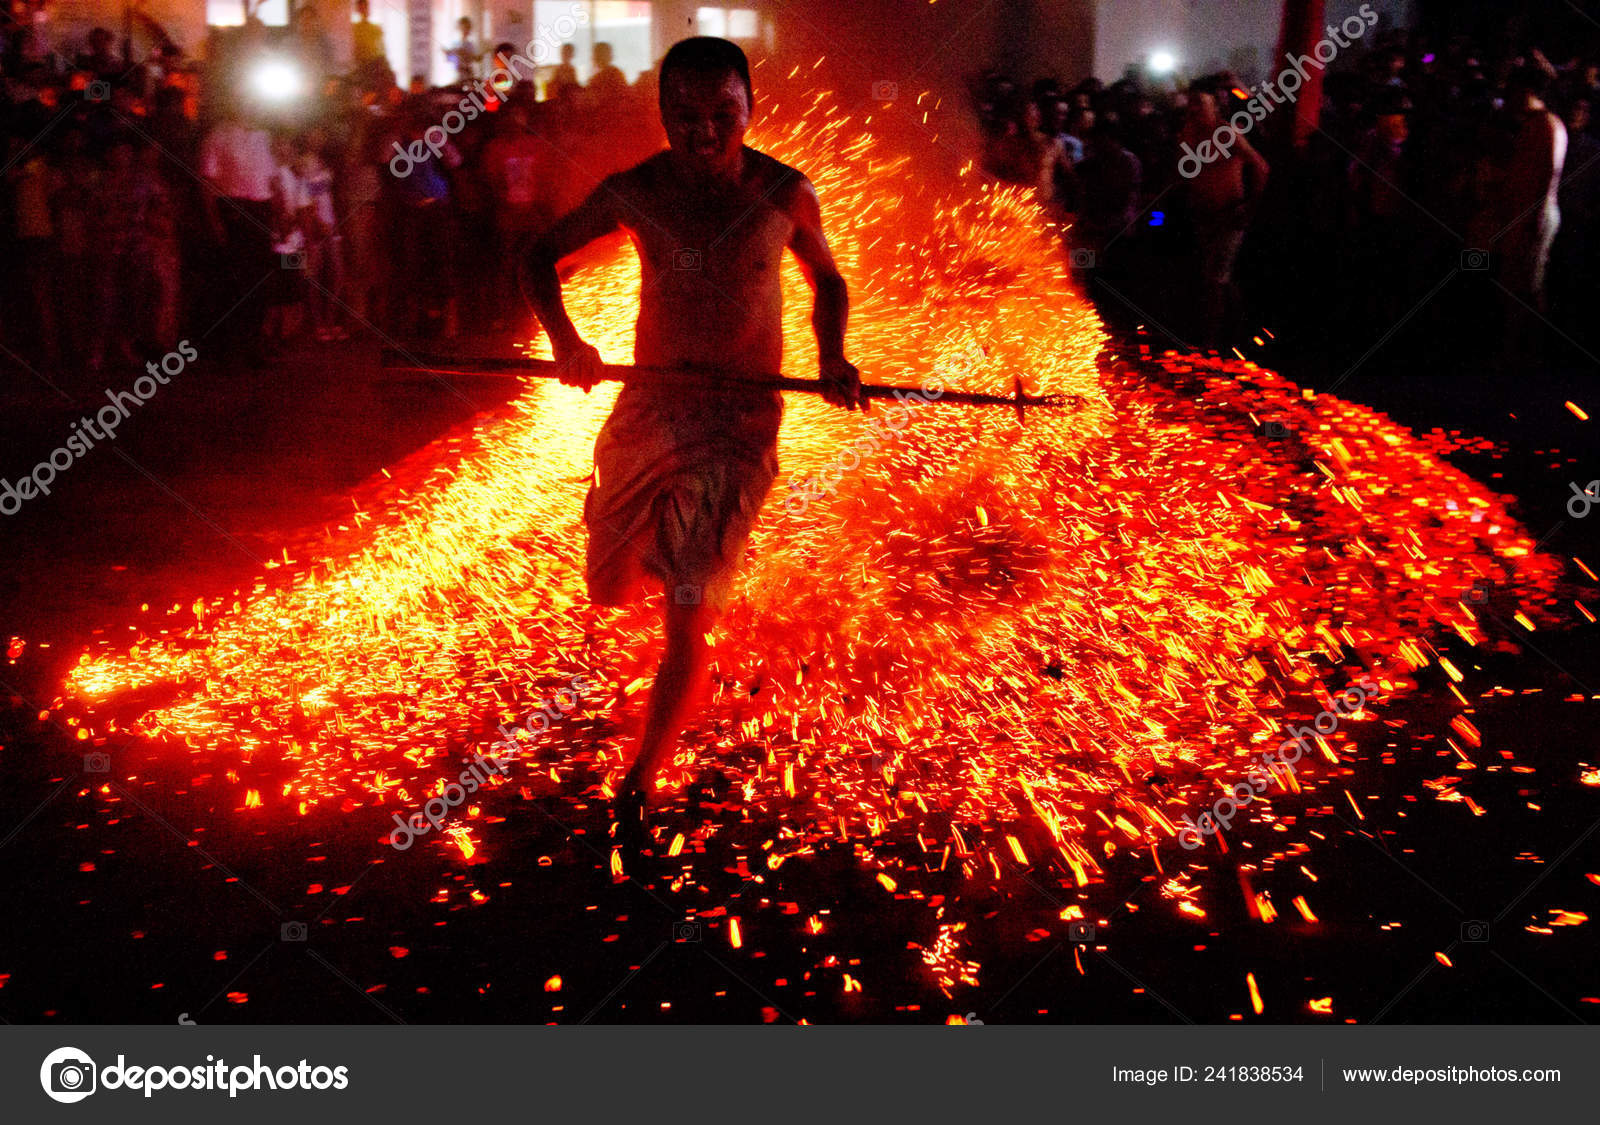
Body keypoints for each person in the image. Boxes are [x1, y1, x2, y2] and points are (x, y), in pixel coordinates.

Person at [521, 36, 862, 824]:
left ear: (750, 110)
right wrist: (568, 343)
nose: (704, 133)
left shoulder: (784, 192)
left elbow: (828, 276)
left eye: (722, 115)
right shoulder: (635, 190)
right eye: (685, 116)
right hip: (648, 413)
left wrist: (835, 353)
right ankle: (680, 574)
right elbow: (537, 256)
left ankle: (643, 774)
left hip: (736, 426)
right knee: (608, 583)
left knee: (686, 598)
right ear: (663, 114)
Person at [351, 0, 385, 68]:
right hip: (359, 65)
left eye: (366, 7)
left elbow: (381, 48)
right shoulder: (354, 29)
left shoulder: (376, 28)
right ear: (358, 10)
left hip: (375, 64)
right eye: (362, 7)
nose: (365, 10)